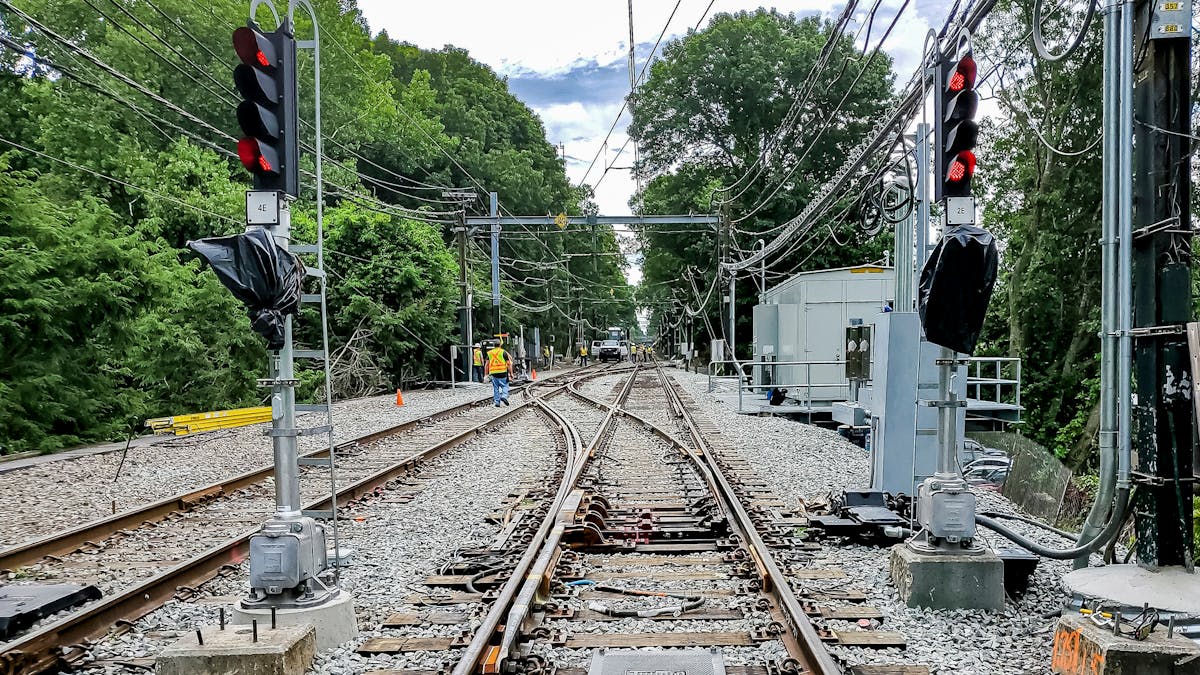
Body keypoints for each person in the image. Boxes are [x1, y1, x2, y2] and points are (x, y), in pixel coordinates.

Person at [486, 340, 513, 406]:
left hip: (494, 373)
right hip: (503, 372)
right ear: (500, 345)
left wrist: (486, 374)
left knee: (496, 388)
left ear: (494, 346)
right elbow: (509, 364)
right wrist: (511, 373)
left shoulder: (489, 353)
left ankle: (497, 402)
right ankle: (503, 396)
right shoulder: (503, 352)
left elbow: (486, 364)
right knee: (505, 385)